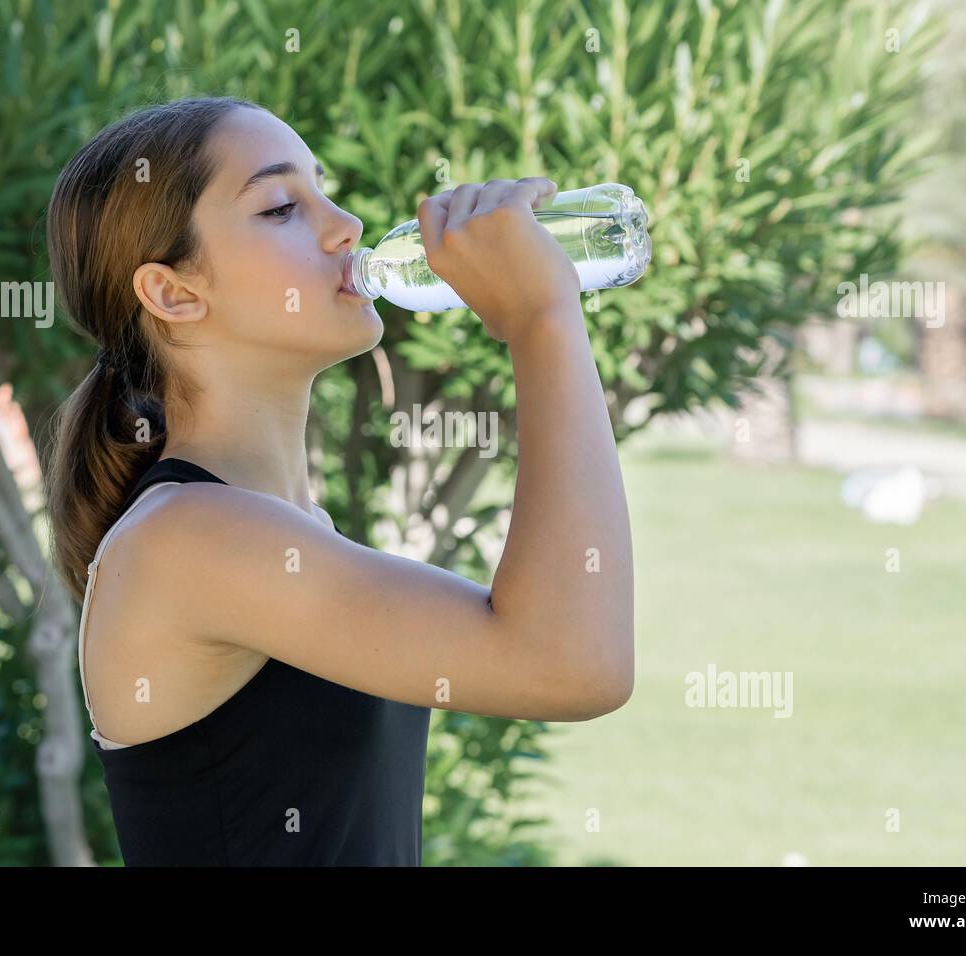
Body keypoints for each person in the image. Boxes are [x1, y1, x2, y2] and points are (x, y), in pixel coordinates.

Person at [43, 95, 635, 865]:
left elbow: (556, 650)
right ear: (174, 293)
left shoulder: (275, 535)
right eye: (282, 206)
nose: (345, 225)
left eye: (324, 190)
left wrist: (545, 320)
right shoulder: (185, 541)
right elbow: (570, 664)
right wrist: (543, 321)